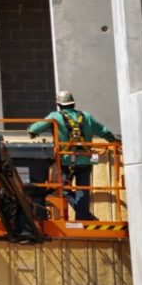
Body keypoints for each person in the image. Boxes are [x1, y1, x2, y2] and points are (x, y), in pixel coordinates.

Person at [28, 91, 119, 219]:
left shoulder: (55, 116)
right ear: (73, 104)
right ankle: (83, 216)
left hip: (66, 161)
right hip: (86, 160)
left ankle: (84, 214)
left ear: (59, 104)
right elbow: (103, 131)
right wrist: (115, 142)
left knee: (64, 189)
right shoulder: (87, 116)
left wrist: (31, 132)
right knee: (83, 190)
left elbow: (34, 129)